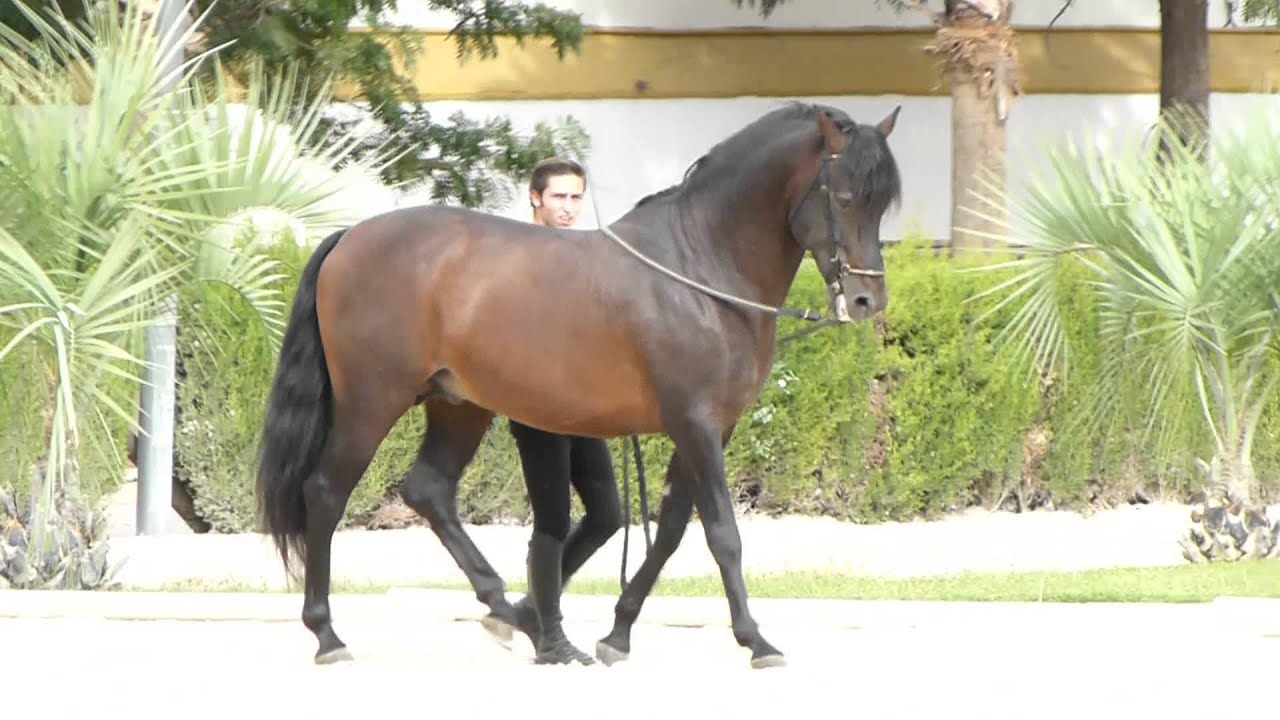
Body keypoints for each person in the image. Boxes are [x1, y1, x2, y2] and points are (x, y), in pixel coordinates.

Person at [485, 158, 624, 665]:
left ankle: (530, 608)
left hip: (582, 402)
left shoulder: (587, 254)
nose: (568, 207)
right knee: (552, 518)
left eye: (575, 197)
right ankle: (550, 637)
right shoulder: (517, 254)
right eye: (558, 197)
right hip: (535, 401)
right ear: (536, 198)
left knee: (608, 515)